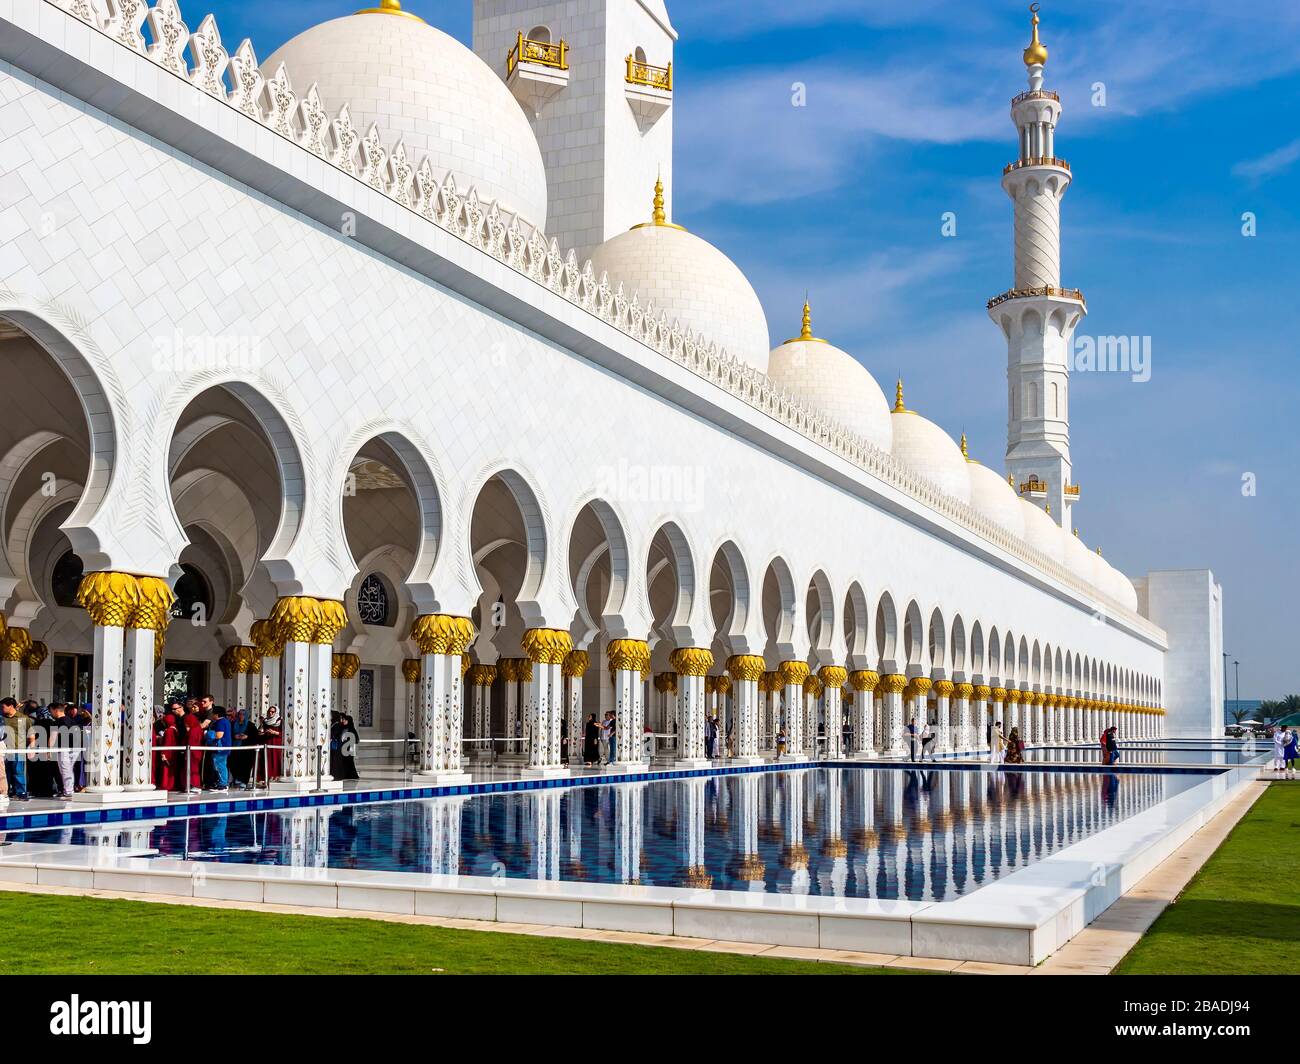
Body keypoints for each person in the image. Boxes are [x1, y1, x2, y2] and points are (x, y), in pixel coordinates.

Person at [1, 698, 30, 801]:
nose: (2, 708)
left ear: (11, 706)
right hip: (5, 751)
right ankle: (8, 792)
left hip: (18, 750)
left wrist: (31, 747)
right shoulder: (2, 718)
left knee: (18, 772)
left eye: (3, 706)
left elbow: (31, 734)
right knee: (5, 773)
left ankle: (21, 793)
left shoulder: (23, 718)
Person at [262, 706, 284, 781]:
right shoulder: (266, 721)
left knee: (277, 758)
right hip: (268, 741)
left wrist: (275, 732)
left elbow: (283, 733)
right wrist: (266, 732)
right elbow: (264, 730)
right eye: (269, 711)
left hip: (277, 742)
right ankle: (269, 775)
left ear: (276, 712)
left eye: (273, 712)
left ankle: (277, 775)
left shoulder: (280, 720)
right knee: (269, 759)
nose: (270, 713)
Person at [336, 713, 360, 781]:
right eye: (343, 719)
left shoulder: (351, 729)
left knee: (349, 762)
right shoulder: (342, 728)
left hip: (349, 748)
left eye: (345, 720)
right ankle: (344, 774)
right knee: (343, 761)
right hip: (343, 748)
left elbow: (355, 739)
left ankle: (351, 775)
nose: (344, 721)